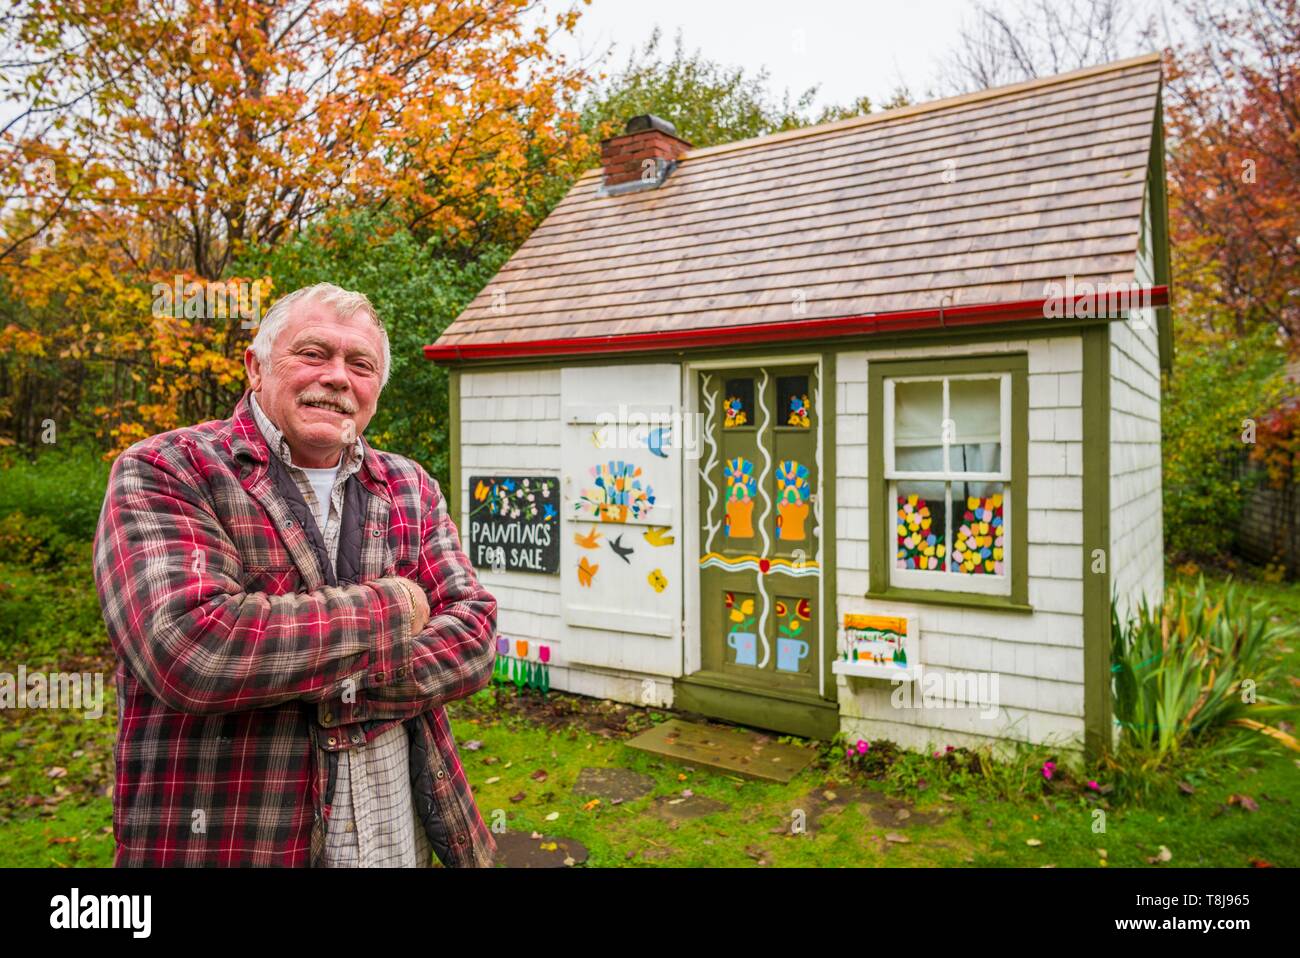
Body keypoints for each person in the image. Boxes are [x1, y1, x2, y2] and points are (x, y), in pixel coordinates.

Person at [92, 282, 498, 867]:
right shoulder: (168, 469)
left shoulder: (410, 485)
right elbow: (195, 651)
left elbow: (476, 636)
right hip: (236, 842)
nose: (337, 376)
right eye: (313, 353)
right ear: (255, 368)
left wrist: (292, 676)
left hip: (395, 839)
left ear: (376, 393)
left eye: (360, 365)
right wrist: (400, 607)